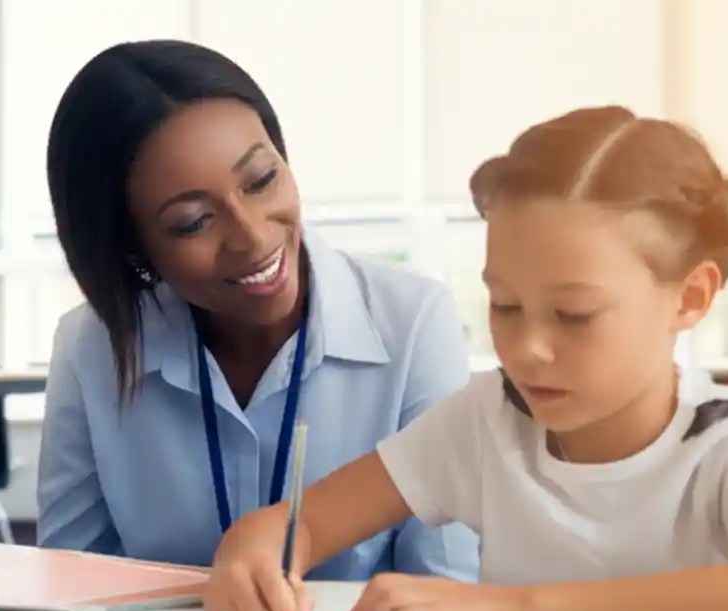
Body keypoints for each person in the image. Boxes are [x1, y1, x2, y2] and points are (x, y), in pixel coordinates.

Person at [202, 106, 728, 611]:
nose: (528, 350)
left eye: (575, 314)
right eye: (505, 306)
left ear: (691, 298)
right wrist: (252, 555)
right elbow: (301, 526)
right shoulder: (487, 421)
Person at [36, 39, 481, 581]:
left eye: (262, 180)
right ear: (132, 248)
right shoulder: (90, 346)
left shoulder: (413, 323)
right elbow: (73, 581)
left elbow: (445, 585)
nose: (252, 236)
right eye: (193, 221)